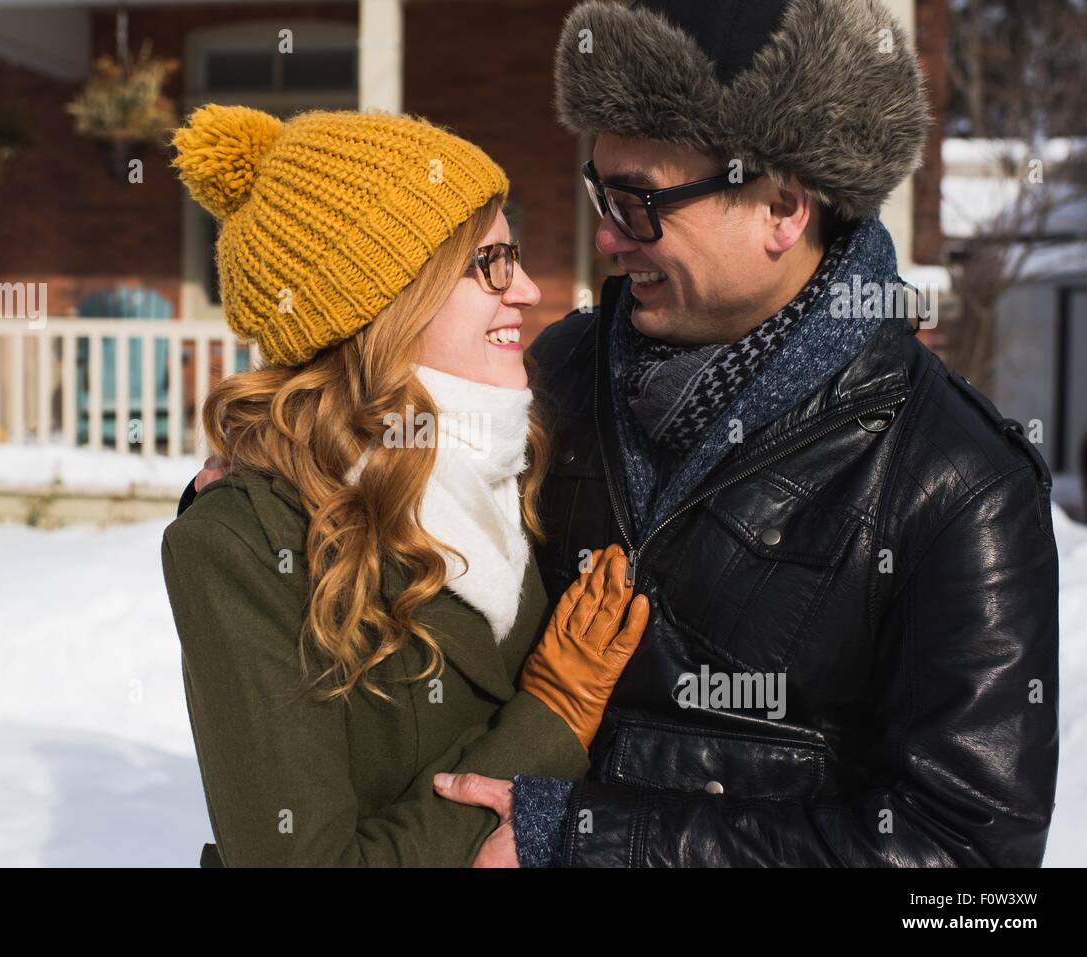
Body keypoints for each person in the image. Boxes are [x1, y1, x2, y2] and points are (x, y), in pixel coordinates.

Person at [432, 0, 1059, 867]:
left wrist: (587, 837)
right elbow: (408, 505)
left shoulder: (956, 481)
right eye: (600, 192)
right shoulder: (559, 373)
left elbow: (966, 866)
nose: (609, 235)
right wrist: (276, 480)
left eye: (640, 202)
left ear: (784, 207)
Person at [161, 104, 648, 866]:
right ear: (391, 300)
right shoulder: (247, 544)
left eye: (511, 254)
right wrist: (548, 722)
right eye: (490, 261)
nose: (525, 289)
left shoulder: (519, 460)